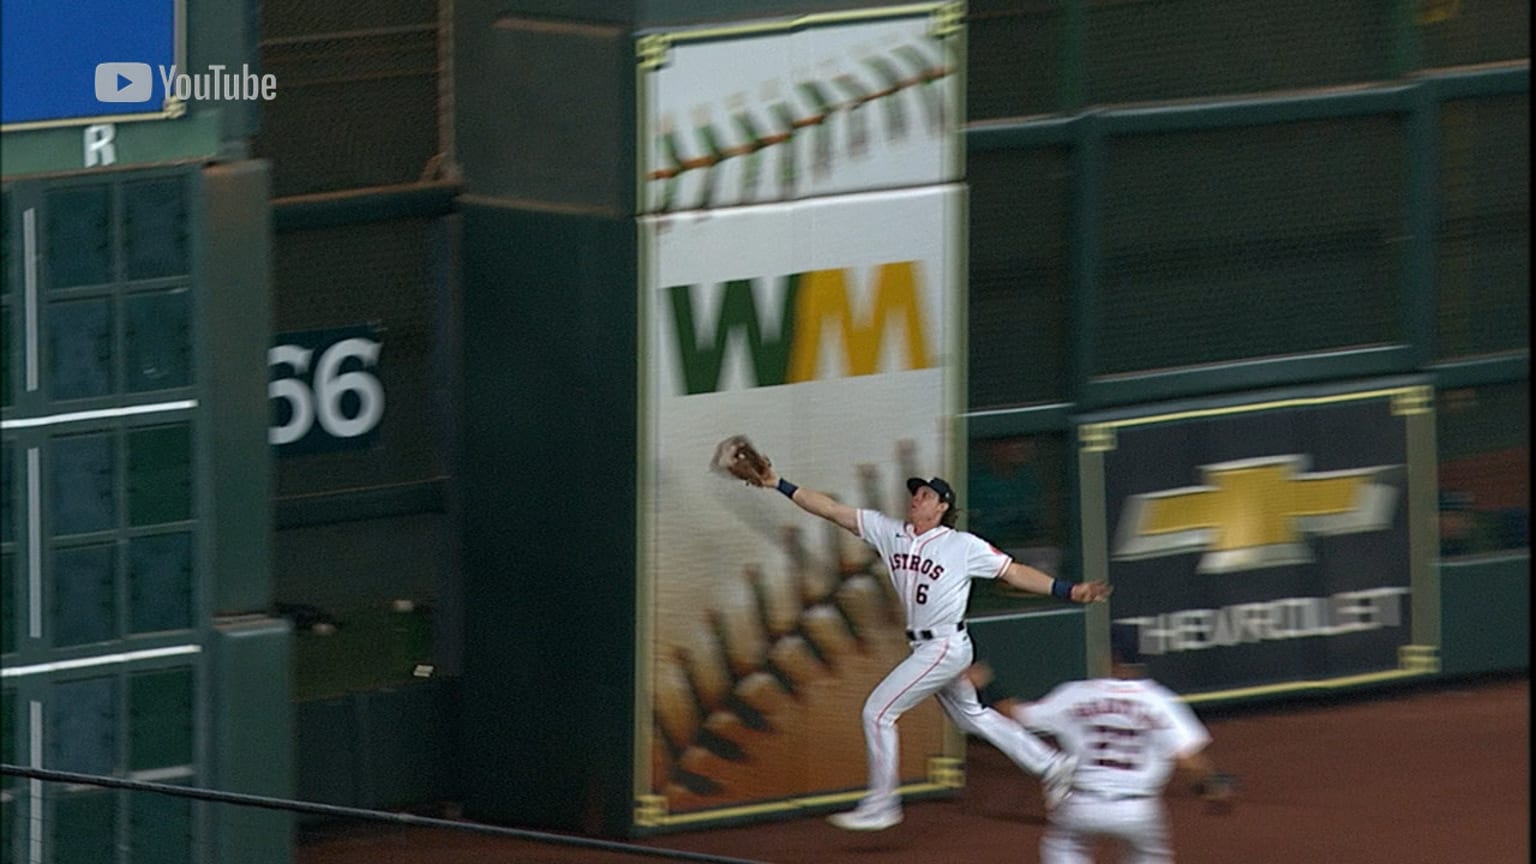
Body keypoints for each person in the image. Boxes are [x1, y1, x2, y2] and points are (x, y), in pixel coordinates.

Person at [756, 462, 1111, 831]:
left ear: (942, 506)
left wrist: (1067, 590)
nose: (916, 498)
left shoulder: (962, 545)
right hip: (929, 648)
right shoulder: (889, 531)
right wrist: (778, 483)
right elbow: (830, 509)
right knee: (971, 716)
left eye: (925, 495)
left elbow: (1014, 572)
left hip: (944, 646)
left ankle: (882, 804)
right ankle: (1054, 766)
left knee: (877, 713)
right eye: (915, 493)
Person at [966, 624, 1235, 862]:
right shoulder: (1159, 701)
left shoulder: (1078, 693)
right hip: (1138, 811)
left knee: (1064, 845)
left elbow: (1015, 714)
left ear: (1111, 656)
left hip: (1082, 805)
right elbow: (1189, 759)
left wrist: (989, 683)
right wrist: (1211, 786)